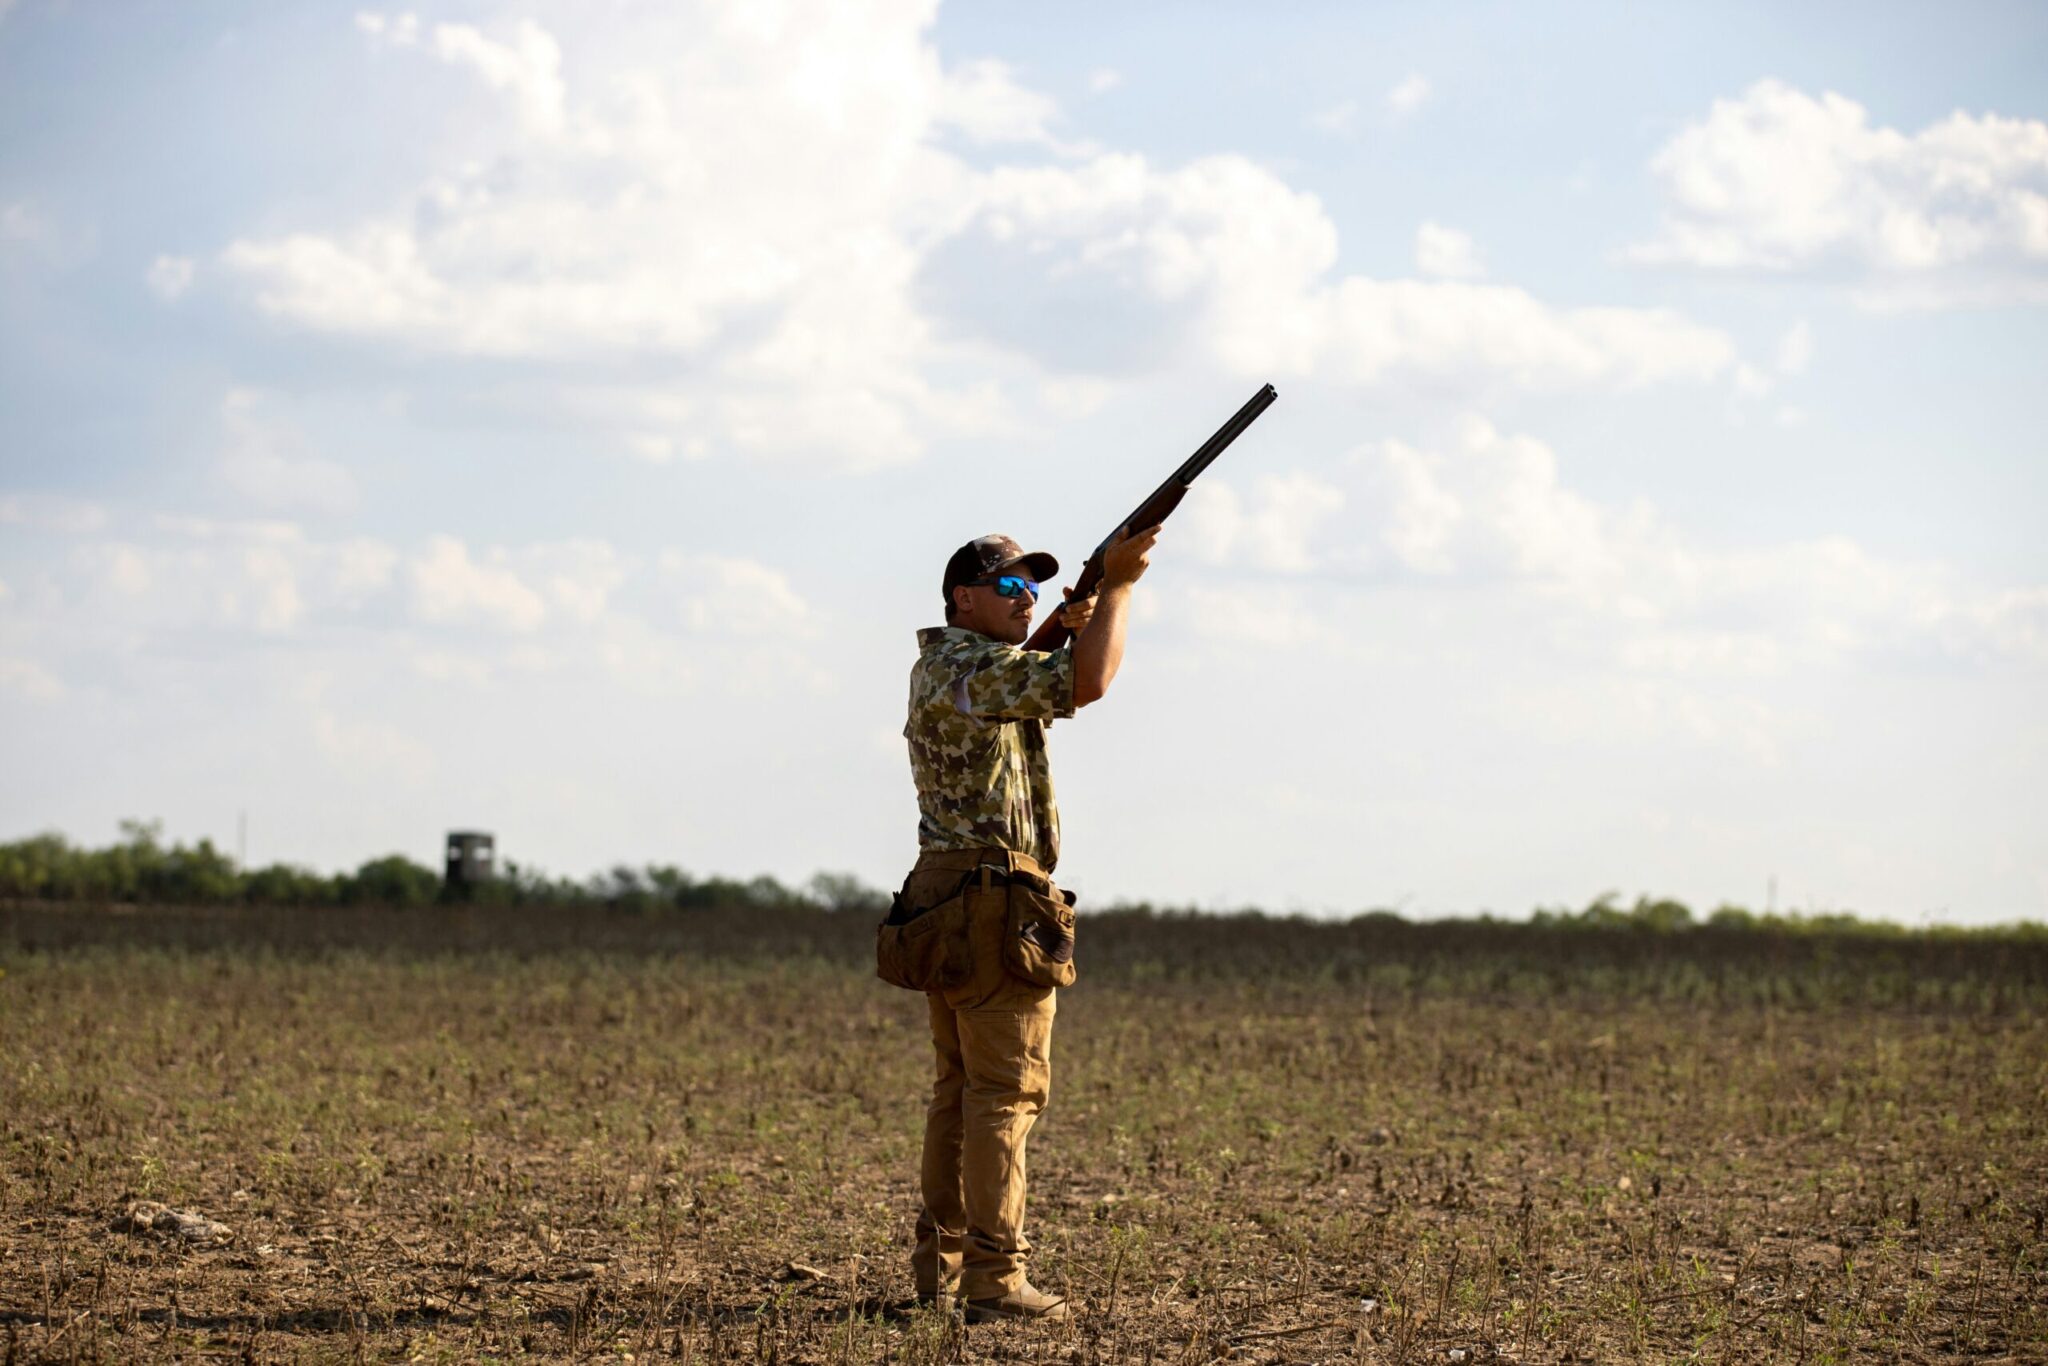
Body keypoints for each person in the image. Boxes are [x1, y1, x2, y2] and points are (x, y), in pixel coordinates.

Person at [896, 526, 1158, 1323]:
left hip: (948, 893)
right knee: (1006, 1094)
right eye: (1009, 589)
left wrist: (1058, 627)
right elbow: (1087, 685)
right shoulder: (965, 663)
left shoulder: (959, 668)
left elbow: (1048, 678)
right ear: (961, 600)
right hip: (991, 897)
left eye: (1033, 589)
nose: (1027, 599)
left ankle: (938, 1271)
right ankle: (997, 1282)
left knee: (959, 1092)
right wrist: (1117, 587)